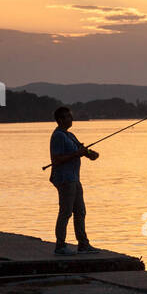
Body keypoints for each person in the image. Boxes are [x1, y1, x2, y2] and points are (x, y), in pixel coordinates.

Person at [48, 106, 101, 255]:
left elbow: (80, 150)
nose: (71, 119)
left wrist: (90, 153)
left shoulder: (70, 135)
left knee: (80, 211)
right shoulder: (58, 136)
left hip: (74, 178)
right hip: (65, 179)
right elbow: (56, 159)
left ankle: (83, 244)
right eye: (68, 117)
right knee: (65, 212)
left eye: (71, 116)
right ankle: (60, 246)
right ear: (60, 120)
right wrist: (77, 153)